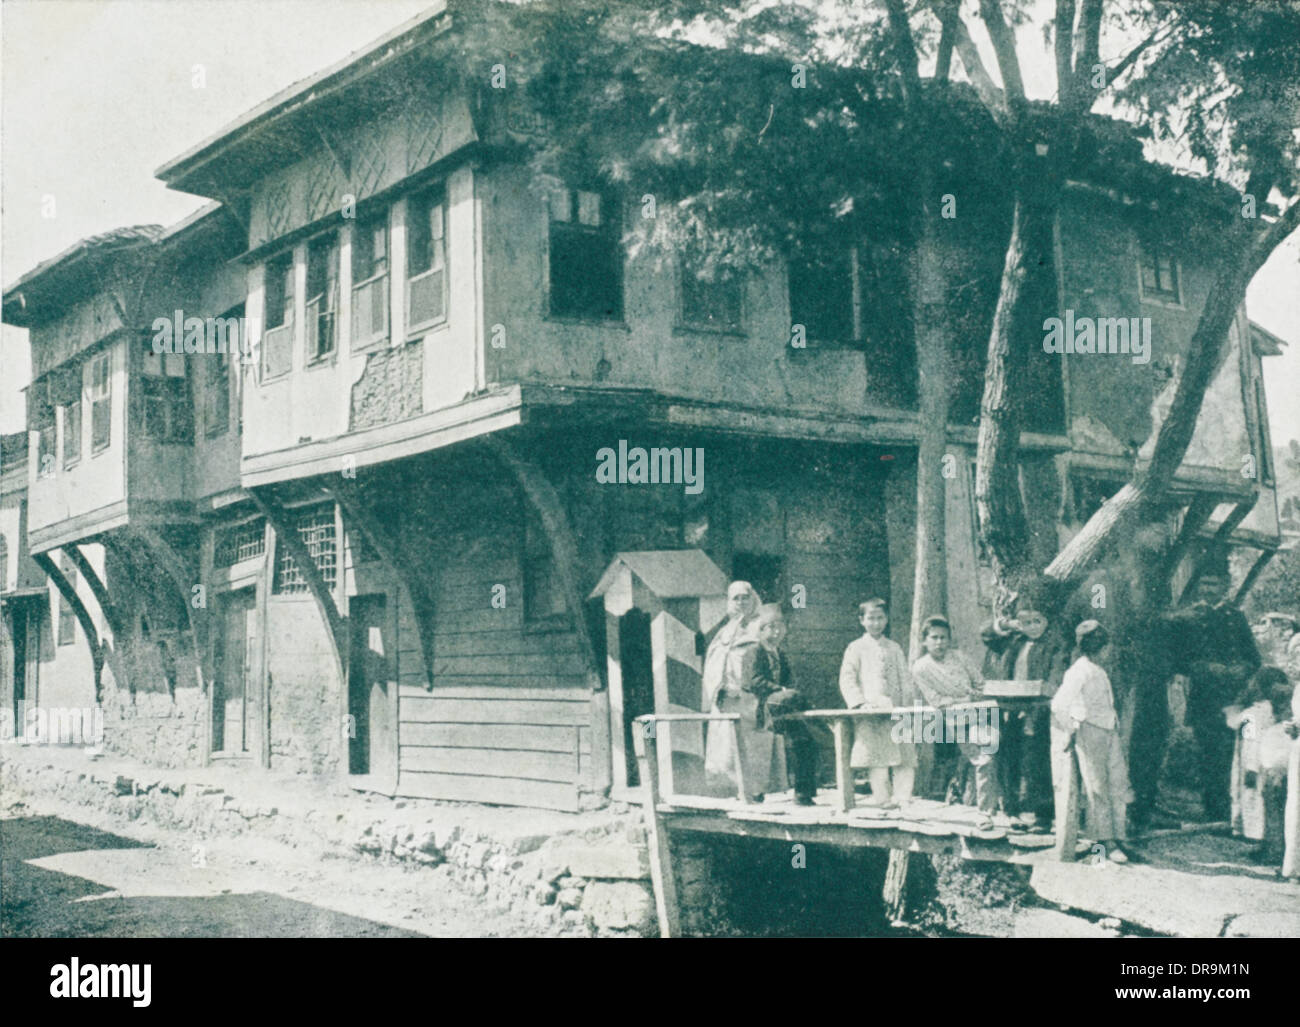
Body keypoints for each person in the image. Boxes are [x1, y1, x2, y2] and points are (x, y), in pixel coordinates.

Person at [1163, 569, 1262, 823]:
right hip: (1205, 696)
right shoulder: (1188, 618)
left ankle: (1232, 810)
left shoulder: (1235, 618)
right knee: (1208, 752)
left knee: (1231, 752)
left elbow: (1253, 659)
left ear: (1224, 586)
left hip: (1232, 696)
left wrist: (1241, 669)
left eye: (1213, 583)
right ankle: (1212, 809)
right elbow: (1178, 660)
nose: (1208, 589)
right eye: (1204, 583)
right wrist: (1205, 668)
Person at [1052, 621, 1134, 863]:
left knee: (1117, 784)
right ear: (1099, 647)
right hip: (1090, 732)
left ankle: (1118, 835)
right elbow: (1059, 704)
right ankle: (1104, 842)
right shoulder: (1079, 671)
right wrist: (1073, 728)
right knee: (1097, 788)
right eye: (1105, 646)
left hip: (1109, 730)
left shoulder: (1098, 669)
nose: (1109, 651)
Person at [911, 615, 999, 829]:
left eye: (943, 638)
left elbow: (980, 684)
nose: (939, 642)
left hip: (981, 715)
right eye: (934, 638)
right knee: (981, 759)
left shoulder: (959, 657)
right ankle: (984, 813)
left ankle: (990, 810)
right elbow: (937, 700)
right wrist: (966, 698)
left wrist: (973, 696)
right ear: (925, 641)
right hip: (956, 720)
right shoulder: (921, 668)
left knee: (990, 756)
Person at [703, 581, 785, 802]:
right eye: (736, 598)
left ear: (753, 599)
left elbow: (772, 657)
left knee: (756, 745)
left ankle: (756, 793)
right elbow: (714, 661)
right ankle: (733, 790)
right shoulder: (726, 629)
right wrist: (719, 688)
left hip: (753, 696)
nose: (741, 603)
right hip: (727, 696)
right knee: (728, 748)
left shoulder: (762, 625)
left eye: (745, 597)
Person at [839, 598, 917, 807]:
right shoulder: (856, 648)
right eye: (871, 618)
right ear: (861, 620)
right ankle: (883, 799)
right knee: (877, 757)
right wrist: (859, 703)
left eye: (880, 618)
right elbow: (847, 678)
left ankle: (903, 797)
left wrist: (907, 705)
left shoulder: (894, 648)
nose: (876, 623)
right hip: (872, 711)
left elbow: (905, 679)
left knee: (905, 756)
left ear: (887, 619)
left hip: (897, 710)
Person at [750, 605, 818, 806]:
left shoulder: (780, 654)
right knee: (761, 752)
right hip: (762, 709)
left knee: (805, 742)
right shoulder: (755, 652)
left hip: (782, 708)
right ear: (761, 630)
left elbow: (789, 682)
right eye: (771, 627)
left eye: (779, 627)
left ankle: (803, 793)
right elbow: (752, 681)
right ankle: (755, 793)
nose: (776, 632)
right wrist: (778, 689)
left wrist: (785, 691)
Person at [1223, 667, 1285, 843]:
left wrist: (1251, 768)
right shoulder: (1271, 710)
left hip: (1251, 762)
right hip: (1264, 762)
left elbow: (1250, 741)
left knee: (1251, 797)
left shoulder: (1252, 714)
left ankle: (1252, 834)